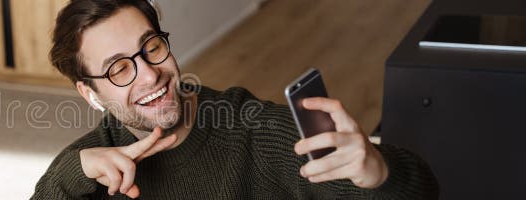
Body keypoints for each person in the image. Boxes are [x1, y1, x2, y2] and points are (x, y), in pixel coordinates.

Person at [32, 0, 439, 199]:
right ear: (90, 94)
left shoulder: (256, 132)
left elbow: (422, 191)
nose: (150, 73)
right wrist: (69, 175)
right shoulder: (86, 168)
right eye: (119, 68)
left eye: (151, 47)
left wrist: (377, 170)